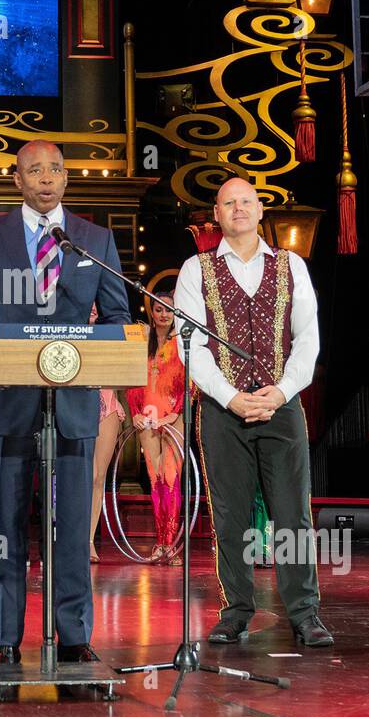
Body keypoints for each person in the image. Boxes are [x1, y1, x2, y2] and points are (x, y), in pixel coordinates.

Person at [0, 139, 132, 665]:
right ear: (18, 180)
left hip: (74, 404)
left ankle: (74, 635)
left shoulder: (94, 239)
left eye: (55, 169)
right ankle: (6, 637)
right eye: (35, 170)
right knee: (5, 526)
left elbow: (117, 317)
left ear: (67, 178)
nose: (46, 178)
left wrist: (99, 348)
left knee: (73, 526)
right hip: (10, 402)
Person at [173, 176, 333, 647]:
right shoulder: (194, 270)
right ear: (217, 215)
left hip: (281, 407)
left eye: (247, 201)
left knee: (292, 515)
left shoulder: (292, 266)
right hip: (224, 412)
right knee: (230, 516)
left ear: (261, 210)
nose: (239, 209)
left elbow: (308, 338)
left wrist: (281, 392)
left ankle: (304, 613)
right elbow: (192, 346)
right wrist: (230, 396)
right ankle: (237, 609)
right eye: (229, 203)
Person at [127, 291, 186, 565]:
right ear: (152, 312)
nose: (164, 314)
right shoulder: (142, 342)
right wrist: (135, 413)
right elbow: (131, 379)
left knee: (171, 479)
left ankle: (171, 543)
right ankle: (160, 542)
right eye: (159, 310)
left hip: (173, 418)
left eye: (169, 310)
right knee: (156, 481)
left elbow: (191, 382)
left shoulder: (181, 343)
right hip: (147, 417)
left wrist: (175, 414)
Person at [87, 305, 125, 565]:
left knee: (98, 476)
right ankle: (68, 538)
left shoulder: (106, 336)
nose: (92, 310)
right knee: (79, 476)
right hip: (75, 404)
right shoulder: (63, 330)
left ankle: (88, 541)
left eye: (95, 308)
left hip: (106, 403)